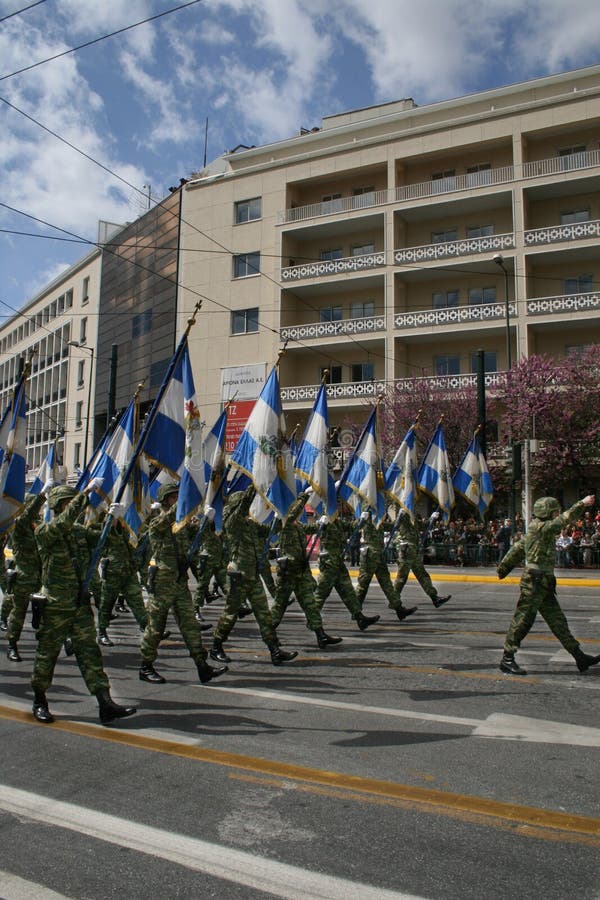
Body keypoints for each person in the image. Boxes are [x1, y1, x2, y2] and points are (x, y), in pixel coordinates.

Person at [30, 483, 137, 725]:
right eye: (68, 503)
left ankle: (104, 703)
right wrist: (83, 495)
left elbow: (104, 540)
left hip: (79, 604)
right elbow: (61, 524)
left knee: (90, 652)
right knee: (47, 654)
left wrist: (113, 521)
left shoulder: (79, 531)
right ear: (58, 507)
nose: (73, 507)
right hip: (55, 605)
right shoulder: (46, 532)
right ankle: (39, 699)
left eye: (73, 503)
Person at [497, 494, 600, 675]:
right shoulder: (541, 527)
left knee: (557, 621)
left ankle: (579, 656)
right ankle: (507, 658)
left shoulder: (536, 530)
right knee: (523, 620)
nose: (556, 514)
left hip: (543, 582)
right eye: (554, 511)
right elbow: (562, 521)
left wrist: (503, 568)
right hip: (534, 581)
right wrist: (582, 504)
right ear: (548, 512)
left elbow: (518, 549)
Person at [139, 482, 228, 685]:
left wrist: (208, 521)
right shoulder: (157, 524)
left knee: (190, 625)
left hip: (179, 582)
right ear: (164, 501)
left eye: (178, 497)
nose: (177, 501)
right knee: (155, 628)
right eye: (173, 498)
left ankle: (202, 667)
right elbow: (167, 519)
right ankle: (146, 666)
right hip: (162, 582)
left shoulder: (183, 524)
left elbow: (207, 538)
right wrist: (183, 505)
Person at [210, 487, 297, 666]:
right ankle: (216, 646)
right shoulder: (232, 523)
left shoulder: (249, 524)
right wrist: (254, 484)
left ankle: (274, 650)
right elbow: (243, 506)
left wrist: (285, 514)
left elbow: (270, 530)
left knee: (263, 614)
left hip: (253, 575)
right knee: (230, 614)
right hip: (238, 576)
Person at [270, 493, 342, 649]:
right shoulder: (286, 523)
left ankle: (321, 635)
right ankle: (268, 635)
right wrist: (304, 498)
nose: (301, 513)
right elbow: (292, 514)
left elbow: (311, 528)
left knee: (310, 605)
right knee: (279, 606)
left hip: (301, 572)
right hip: (288, 572)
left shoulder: (298, 526)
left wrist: (323, 523)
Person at [314, 511, 380, 631]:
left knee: (348, 592)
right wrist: (320, 524)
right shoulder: (324, 523)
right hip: (328, 563)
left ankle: (360, 618)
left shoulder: (339, 523)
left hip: (338, 563)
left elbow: (353, 526)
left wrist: (362, 519)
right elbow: (309, 529)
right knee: (321, 594)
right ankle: (312, 619)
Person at [96, 505, 149, 646]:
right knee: (106, 604)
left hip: (128, 571)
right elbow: (102, 535)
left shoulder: (126, 530)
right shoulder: (104, 531)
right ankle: (102, 632)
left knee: (137, 602)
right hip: (112, 573)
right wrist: (109, 518)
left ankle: (147, 628)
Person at [354, 511, 421, 620]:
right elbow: (355, 526)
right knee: (363, 585)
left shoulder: (379, 522)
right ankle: (356, 614)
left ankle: (399, 609)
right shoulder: (365, 520)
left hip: (379, 555)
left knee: (387, 584)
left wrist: (401, 518)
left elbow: (392, 527)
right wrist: (361, 519)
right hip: (370, 555)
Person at [6, 490, 45, 661]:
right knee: (19, 613)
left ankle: (43, 640)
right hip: (23, 577)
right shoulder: (20, 526)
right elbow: (26, 517)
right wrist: (42, 496)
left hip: (40, 577)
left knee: (45, 612)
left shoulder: (37, 526)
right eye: (33, 508)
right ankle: (12, 645)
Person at [393, 509, 451, 611]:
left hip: (413, 550)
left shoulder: (413, 515)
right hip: (405, 550)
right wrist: (399, 516)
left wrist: (431, 519)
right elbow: (394, 526)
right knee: (402, 578)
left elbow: (422, 526)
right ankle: (393, 600)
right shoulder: (403, 512)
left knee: (422, 575)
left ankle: (434, 598)